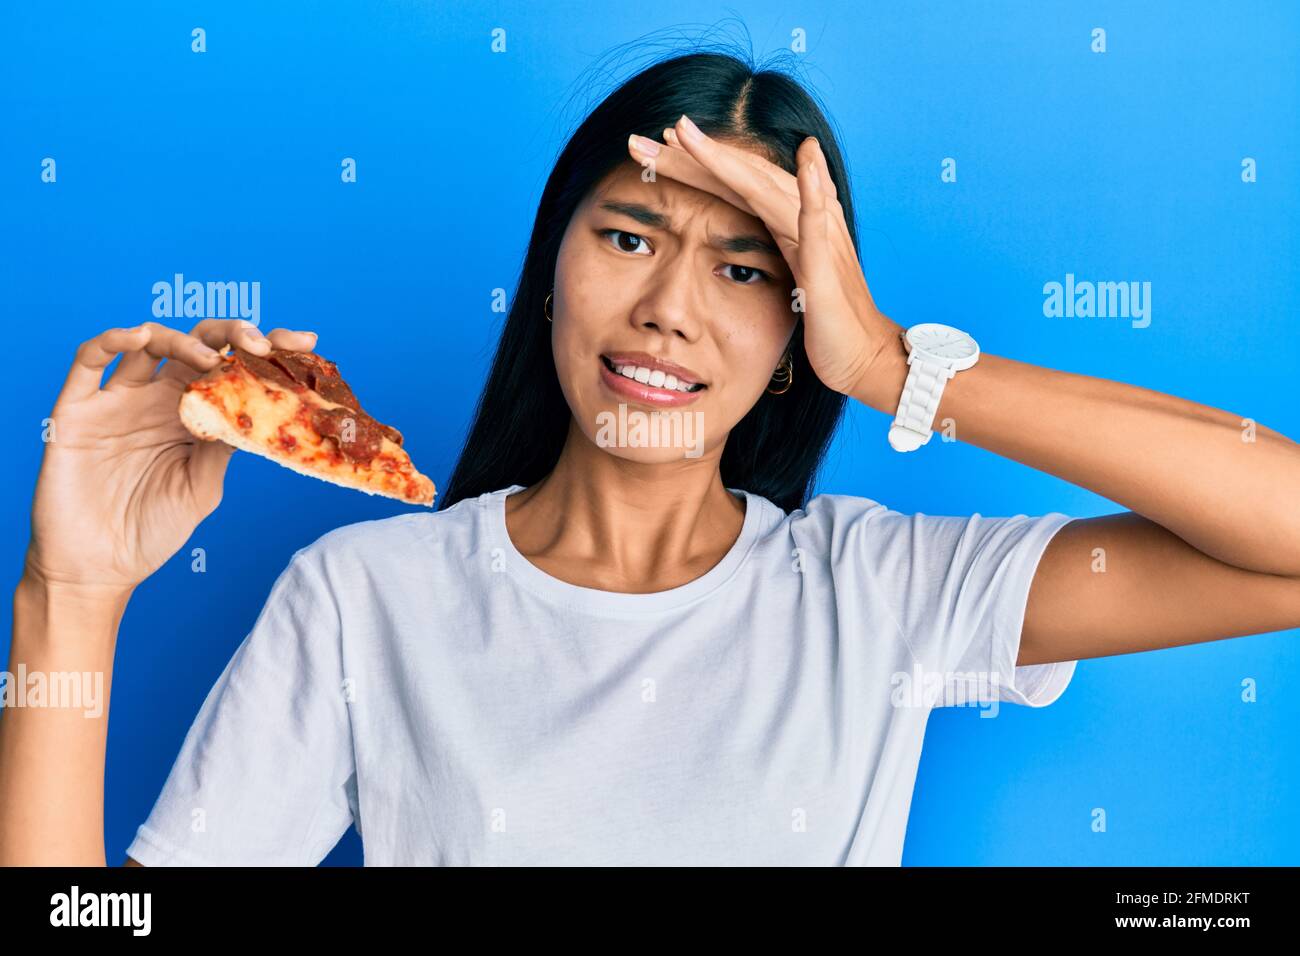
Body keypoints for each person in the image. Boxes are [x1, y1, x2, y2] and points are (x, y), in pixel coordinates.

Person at [4, 51, 1299, 867]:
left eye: (745, 267)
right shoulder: (365, 599)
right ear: (550, 269)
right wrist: (67, 604)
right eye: (629, 238)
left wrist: (896, 366)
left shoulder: (885, 597)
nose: (671, 307)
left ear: (801, 330)